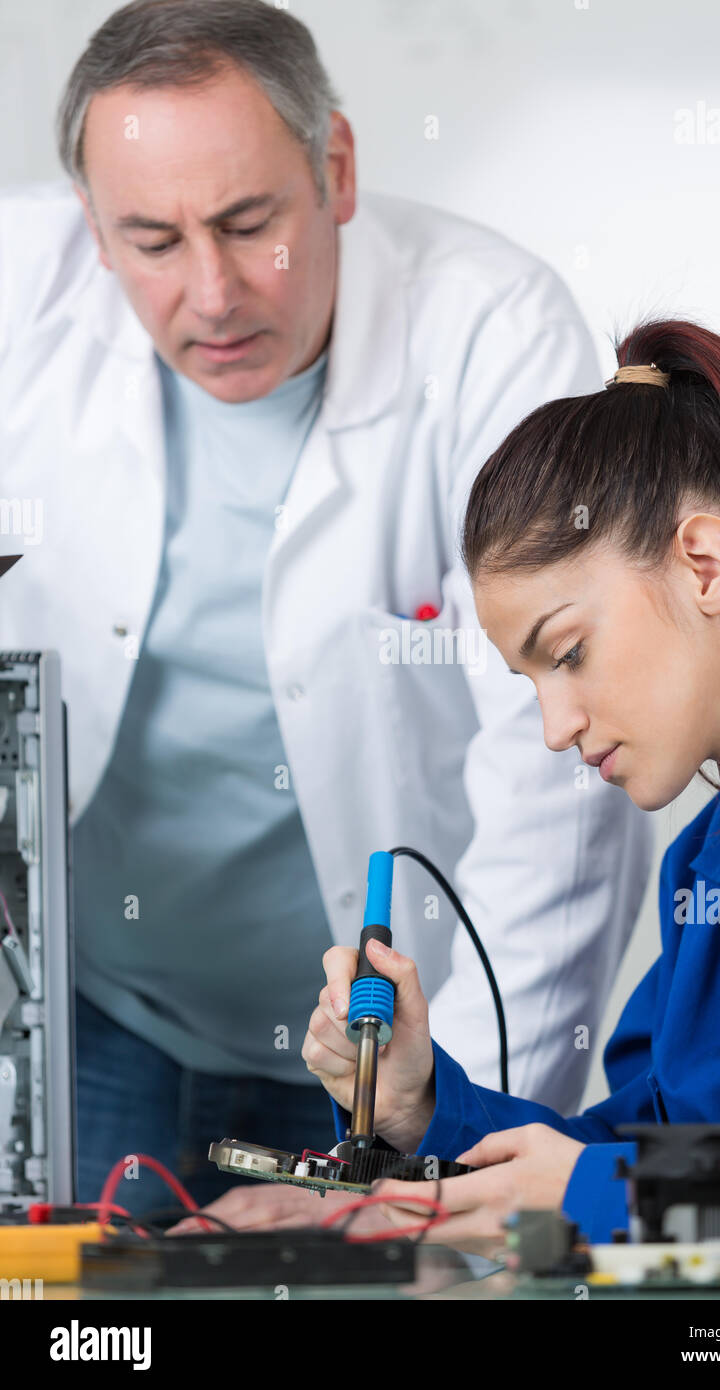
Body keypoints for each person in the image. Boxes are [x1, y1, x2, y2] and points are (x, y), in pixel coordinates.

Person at [0, 0, 651, 1213]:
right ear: (91, 229)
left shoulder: (491, 333)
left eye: (252, 224)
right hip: (104, 1016)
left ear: (335, 170)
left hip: (402, 1050)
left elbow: (553, 782)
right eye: (150, 239)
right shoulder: (13, 296)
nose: (211, 292)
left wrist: (457, 1155)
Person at [179, 317, 720, 1251]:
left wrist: (615, 1198)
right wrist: (420, 1105)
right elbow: (648, 1152)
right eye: (533, 682)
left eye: (570, 653)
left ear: (705, 564)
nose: (555, 728)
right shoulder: (711, 875)